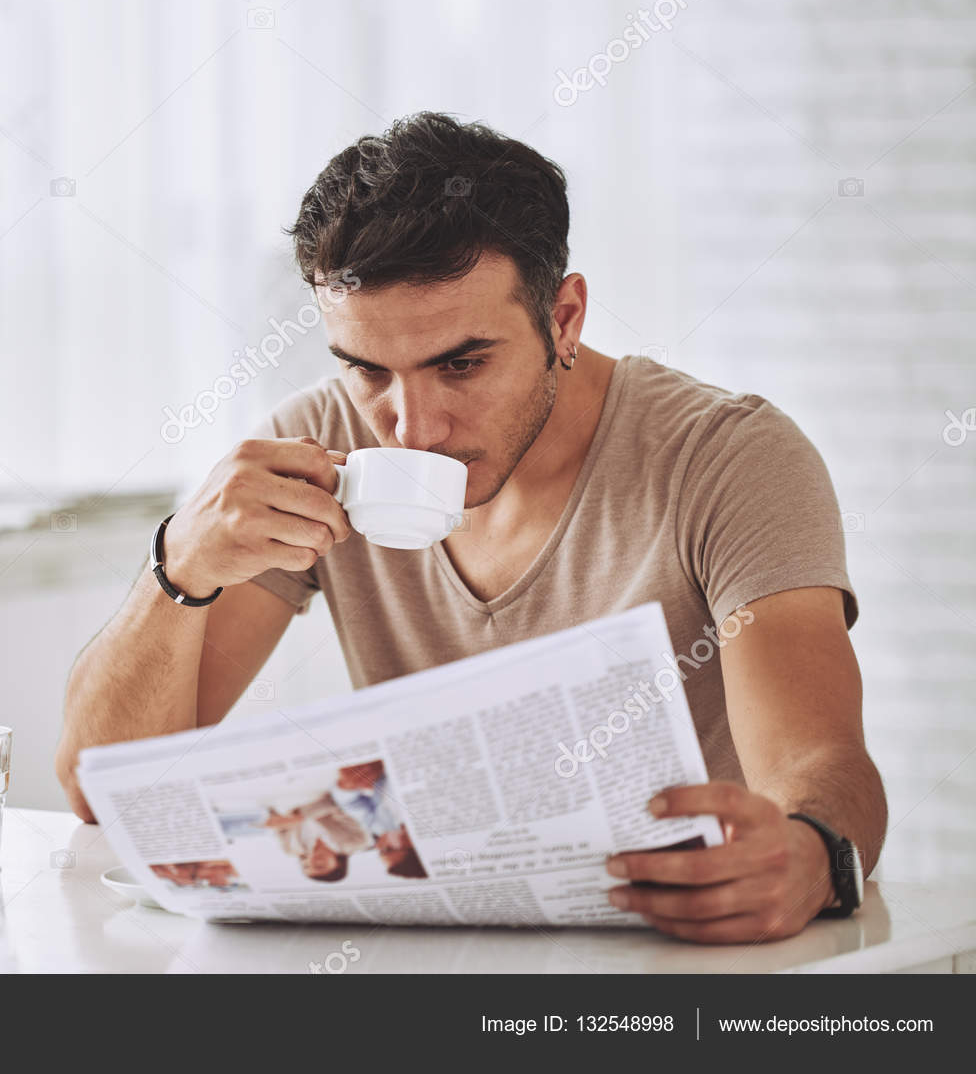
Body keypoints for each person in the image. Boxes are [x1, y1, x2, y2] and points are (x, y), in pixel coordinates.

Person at [57, 112, 886, 943]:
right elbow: (100, 790)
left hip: (675, 961)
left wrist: (809, 855)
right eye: (368, 369)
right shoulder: (318, 452)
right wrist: (179, 568)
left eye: (461, 364)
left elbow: (820, 763)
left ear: (563, 318)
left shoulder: (727, 459)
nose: (412, 428)